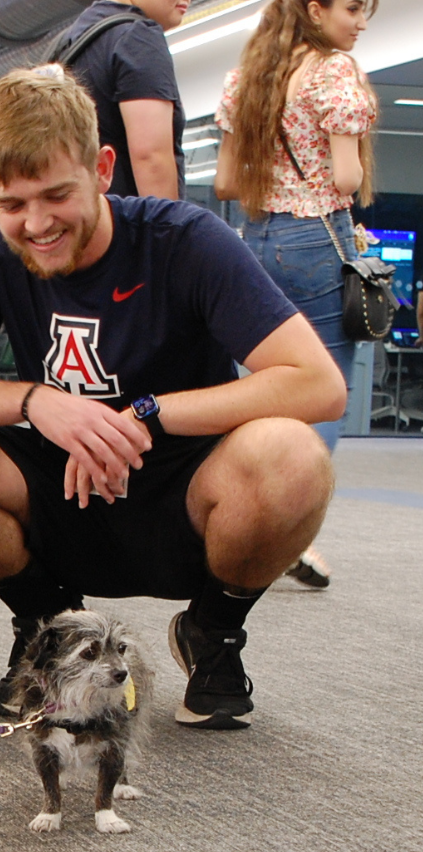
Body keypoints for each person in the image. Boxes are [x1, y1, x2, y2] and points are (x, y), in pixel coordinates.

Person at [0, 67, 345, 731]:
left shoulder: (185, 240)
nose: (36, 223)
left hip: (184, 494)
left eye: (56, 195)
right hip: (62, 492)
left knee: (294, 456)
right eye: (12, 204)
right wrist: (38, 402)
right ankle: (48, 628)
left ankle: (212, 631)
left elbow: (317, 384)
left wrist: (149, 415)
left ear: (102, 169)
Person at [214, 0, 378, 586]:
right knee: (325, 388)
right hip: (317, 240)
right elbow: (346, 178)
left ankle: (235, 510)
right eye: (353, 8)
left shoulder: (245, 80)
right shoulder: (333, 72)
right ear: (314, 8)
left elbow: (225, 182)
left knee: (257, 387)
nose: (361, 22)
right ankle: (288, 531)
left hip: (254, 240)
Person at [57, 0, 190, 200]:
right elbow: (150, 157)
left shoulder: (68, 42)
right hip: (124, 213)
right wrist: (168, 219)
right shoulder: (138, 37)